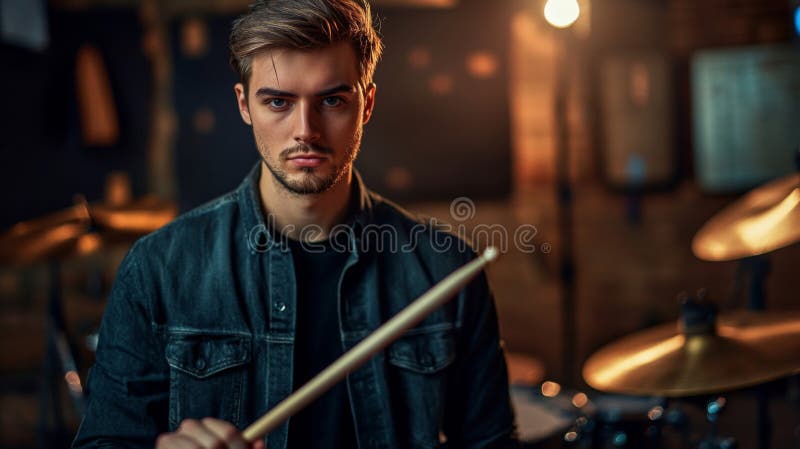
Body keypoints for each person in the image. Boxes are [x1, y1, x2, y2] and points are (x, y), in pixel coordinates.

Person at [72, 1, 516, 448]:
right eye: (279, 102)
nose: (306, 130)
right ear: (244, 105)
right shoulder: (157, 269)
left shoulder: (446, 268)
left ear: (367, 105)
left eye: (332, 100)